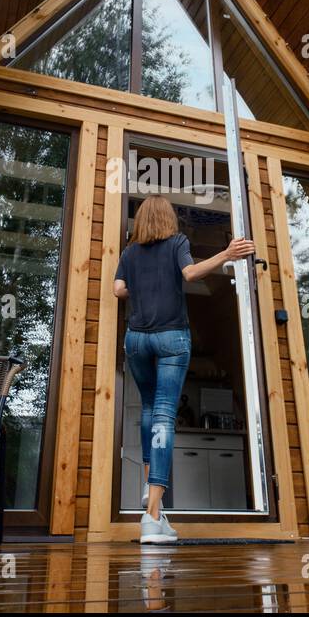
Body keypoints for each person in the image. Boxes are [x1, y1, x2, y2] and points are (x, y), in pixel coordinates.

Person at [112, 195, 255, 544]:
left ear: (141, 221)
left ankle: (156, 510)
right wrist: (226, 255)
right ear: (168, 219)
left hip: (136, 340)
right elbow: (190, 273)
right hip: (171, 338)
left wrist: (143, 288)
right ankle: (150, 515)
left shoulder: (129, 253)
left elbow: (118, 290)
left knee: (148, 410)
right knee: (163, 415)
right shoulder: (178, 242)